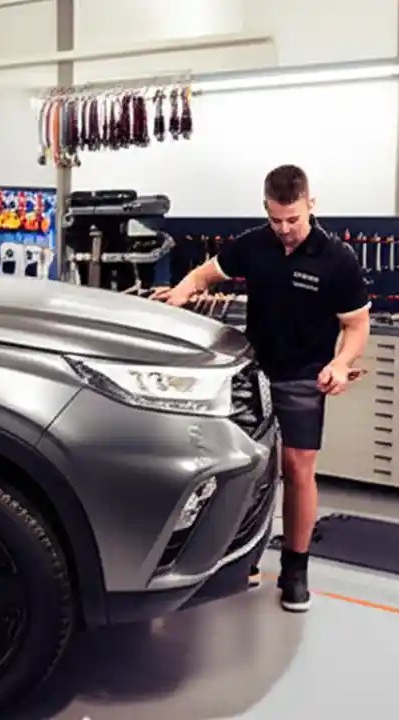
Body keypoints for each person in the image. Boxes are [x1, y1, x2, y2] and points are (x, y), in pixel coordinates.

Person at [150, 164, 370, 612]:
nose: (286, 230)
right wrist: (180, 292)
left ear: (311, 204)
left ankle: (295, 569)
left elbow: (356, 325)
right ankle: (243, 557)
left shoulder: (337, 259)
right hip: (253, 375)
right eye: (276, 220)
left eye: (293, 220)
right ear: (266, 210)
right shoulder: (254, 245)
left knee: (297, 469)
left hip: (304, 376)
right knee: (249, 469)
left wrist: (342, 364)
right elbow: (205, 275)